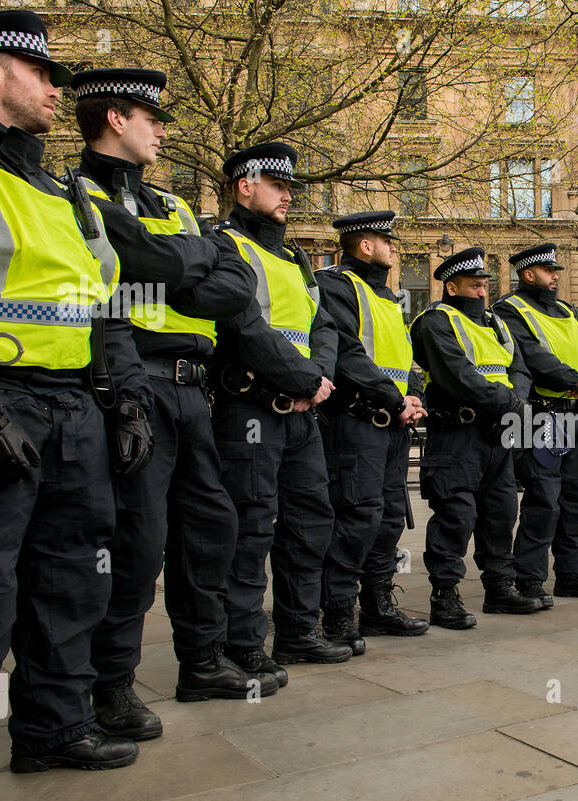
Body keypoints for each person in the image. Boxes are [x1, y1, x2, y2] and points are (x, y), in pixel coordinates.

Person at [0, 10, 222, 801]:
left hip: (76, 412)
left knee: (72, 578)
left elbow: (106, 305)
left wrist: (122, 396)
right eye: (41, 72)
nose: (56, 89)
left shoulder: (62, 190)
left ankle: (52, 726)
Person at [68, 68, 288, 736]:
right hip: (132, 379)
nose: (162, 129)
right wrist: (182, 269)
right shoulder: (73, 193)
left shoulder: (172, 203)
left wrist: (169, 273)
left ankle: (201, 662)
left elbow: (232, 283)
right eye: (151, 117)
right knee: (137, 542)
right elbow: (140, 261)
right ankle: (111, 689)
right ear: (114, 118)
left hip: (196, 390)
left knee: (210, 530)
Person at [212, 142, 346, 686]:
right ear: (246, 186)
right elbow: (245, 327)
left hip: (300, 415)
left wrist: (315, 380)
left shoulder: (296, 259)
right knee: (250, 527)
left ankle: (297, 629)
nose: (289, 195)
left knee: (311, 522)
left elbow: (325, 327)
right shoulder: (223, 245)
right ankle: (242, 644)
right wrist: (307, 379)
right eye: (278, 185)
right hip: (251, 411)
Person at [315, 211, 429, 655]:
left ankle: (377, 605)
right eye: (388, 240)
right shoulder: (337, 286)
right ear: (365, 245)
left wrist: (414, 397)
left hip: (392, 425)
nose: (394, 247)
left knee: (386, 520)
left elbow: (402, 359)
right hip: (356, 422)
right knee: (356, 517)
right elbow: (347, 355)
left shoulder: (387, 298)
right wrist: (394, 399)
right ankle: (338, 612)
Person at [411, 246, 542, 625]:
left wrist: (515, 401)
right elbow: (459, 376)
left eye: (485, 285)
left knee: (501, 513)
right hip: (457, 433)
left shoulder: (495, 322)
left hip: (498, 433)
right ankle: (444, 596)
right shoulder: (435, 321)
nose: (483, 292)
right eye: (474, 285)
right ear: (451, 286)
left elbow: (518, 368)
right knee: (456, 515)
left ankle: (499, 590)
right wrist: (512, 405)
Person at [493, 243, 578, 603]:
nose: (556, 275)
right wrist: (575, 381)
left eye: (556, 270)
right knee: (544, 499)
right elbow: (531, 355)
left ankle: (570, 574)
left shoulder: (569, 310)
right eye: (549, 271)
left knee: (577, 498)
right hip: (541, 414)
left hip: (577, 414)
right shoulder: (509, 309)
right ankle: (529, 578)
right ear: (528, 274)